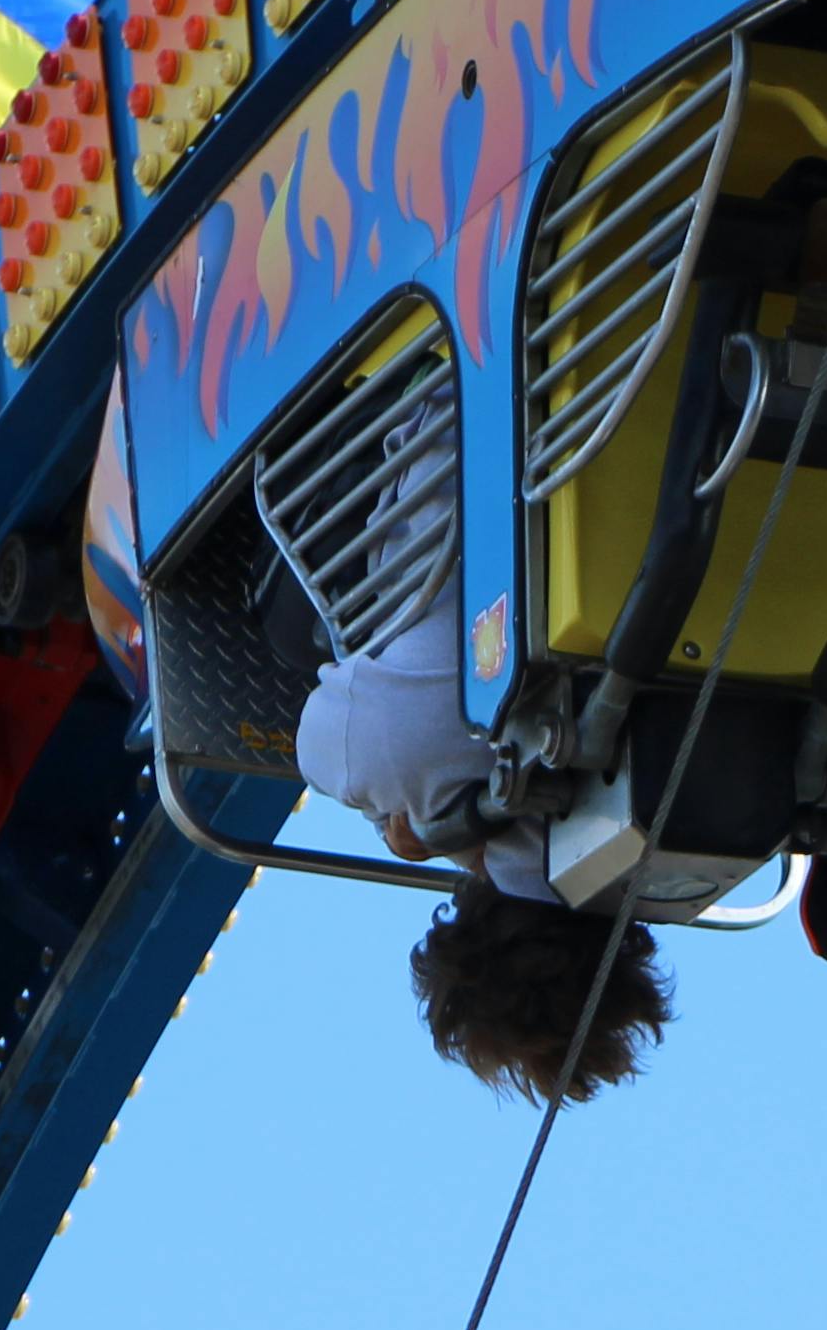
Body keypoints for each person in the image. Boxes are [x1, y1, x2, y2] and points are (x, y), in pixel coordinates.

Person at [282, 408, 666, 1110]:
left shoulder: (679, 790)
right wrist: (424, 831)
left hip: (629, 420)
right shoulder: (423, 763)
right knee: (292, 628)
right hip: (454, 399)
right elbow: (314, 739)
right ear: (468, 933)